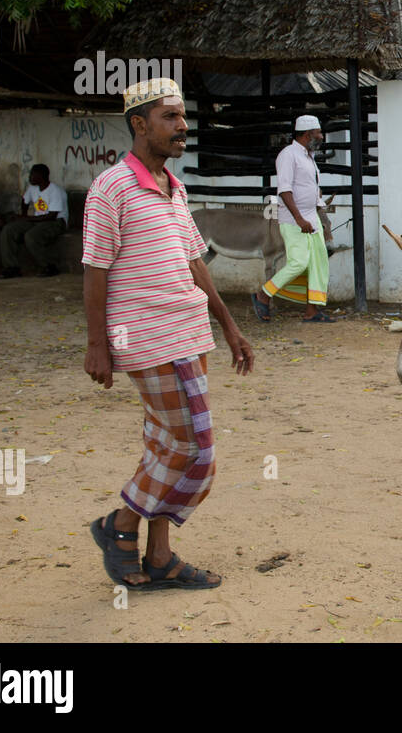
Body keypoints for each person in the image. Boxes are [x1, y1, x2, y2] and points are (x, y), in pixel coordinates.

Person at [84, 77, 254, 590]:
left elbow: (195, 262)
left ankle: (158, 557)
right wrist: (97, 345)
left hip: (188, 332)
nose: (183, 127)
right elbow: (95, 268)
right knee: (193, 451)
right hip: (145, 337)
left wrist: (228, 326)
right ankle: (119, 525)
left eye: (183, 117)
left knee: (165, 447)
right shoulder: (111, 187)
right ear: (140, 125)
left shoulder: (174, 188)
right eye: (171, 118)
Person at [251, 114, 333, 322]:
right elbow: (285, 190)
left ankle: (312, 311)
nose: (322, 137)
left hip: (311, 217)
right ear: (308, 134)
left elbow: (307, 186)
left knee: (318, 262)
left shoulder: (308, 156)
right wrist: (298, 218)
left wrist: (317, 206)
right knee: (299, 262)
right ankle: (263, 295)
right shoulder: (288, 155)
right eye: (318, 133)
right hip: (294, 220)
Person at [0, 163, 68, 277]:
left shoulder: (56, 191)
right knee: (8, 230)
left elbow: (52, 216)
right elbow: (25, 201)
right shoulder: (33, 188)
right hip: (37, 221)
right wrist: (23, 216)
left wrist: (26, 218)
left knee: (31, 236)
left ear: (41, 176)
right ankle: (12, 267)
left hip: (56, 222)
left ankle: (49, 266)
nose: (30, 177)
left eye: (32, 174)